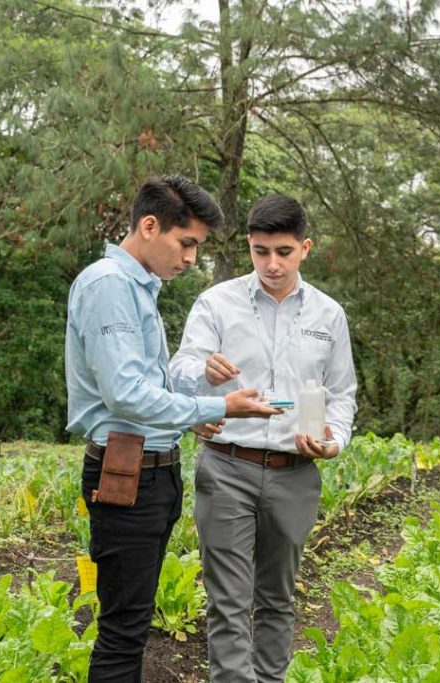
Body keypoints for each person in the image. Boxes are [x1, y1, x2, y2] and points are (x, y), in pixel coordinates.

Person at [65, 175, 280, 682]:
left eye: (197, 248)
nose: (189, 259)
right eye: (186, 243)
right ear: (148, 225)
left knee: (133, 625)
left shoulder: (140, 290)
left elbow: (148, 386)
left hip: (152, 471)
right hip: (126, 473)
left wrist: (198, 405)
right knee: (122, 632)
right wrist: (212, 407)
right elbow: (124, 395)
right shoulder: (109, 286)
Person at [169, 194, 357, 681]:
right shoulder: (217, 302)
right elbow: (180, 368)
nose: (271, 264)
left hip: (295, 471)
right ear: (249, 247)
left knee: (278, 598)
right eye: (260, 251)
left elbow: (342, 394)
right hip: (227, 465)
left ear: (305, 248)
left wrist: (334, 440)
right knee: (228, 600)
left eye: (283, 252)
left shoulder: (328, 315)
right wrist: (202, 372)